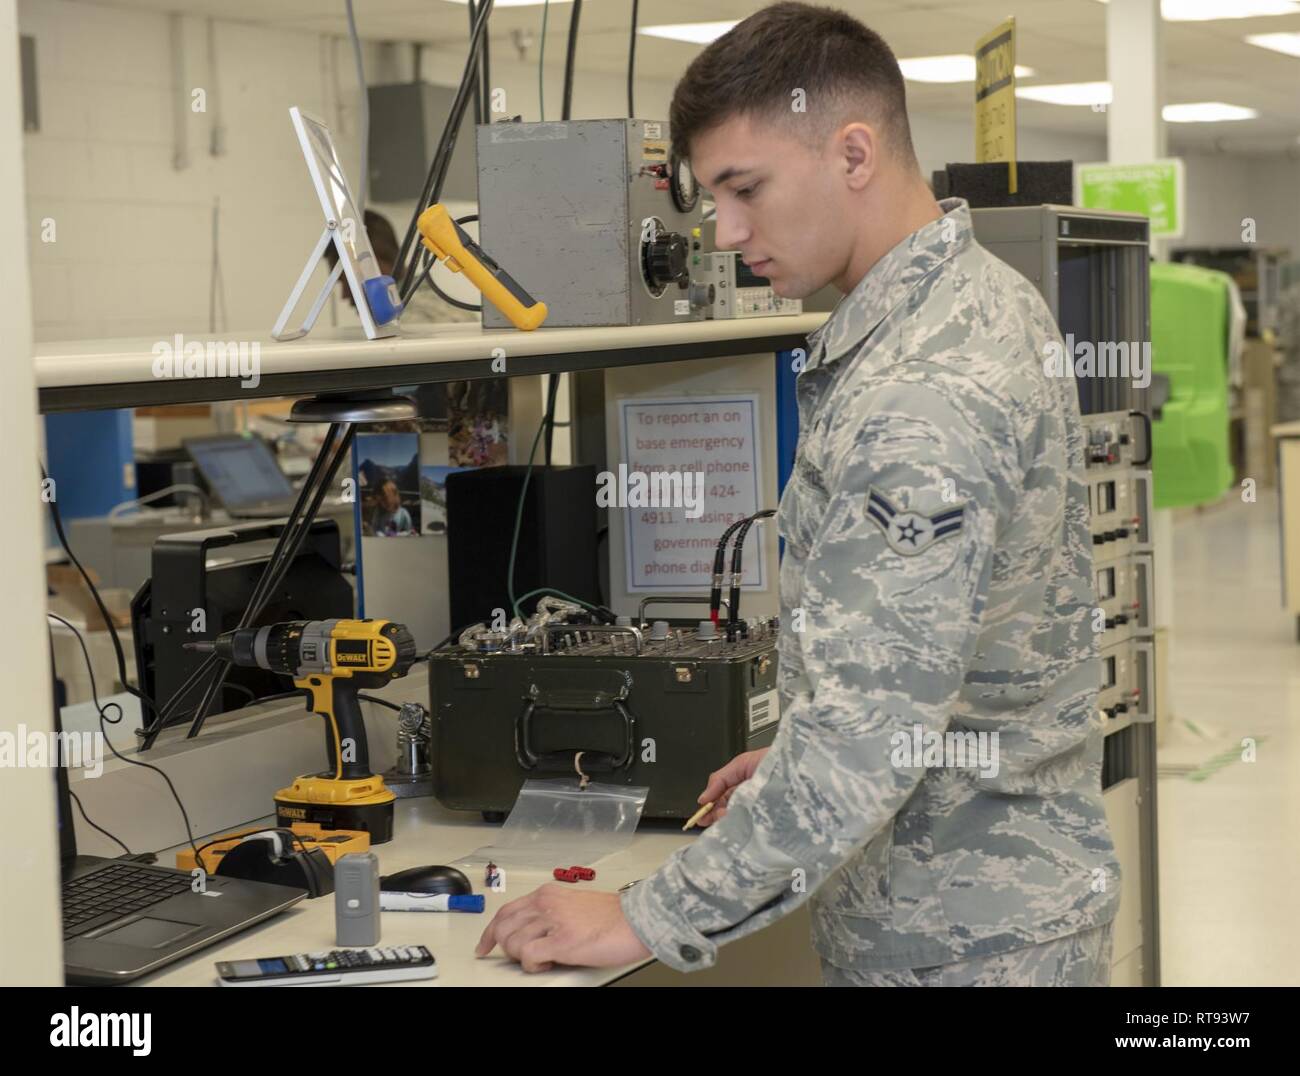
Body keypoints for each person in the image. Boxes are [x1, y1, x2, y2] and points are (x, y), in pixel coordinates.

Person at [475, 2, 1120, 987]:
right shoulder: (977, 297)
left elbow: (866, 741)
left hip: (962, 947)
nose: (726, 232)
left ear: (852, 153)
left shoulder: (917, 391)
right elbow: (938, 665)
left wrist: (641, 914)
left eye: (745, 188)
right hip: (991, 910)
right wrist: (797, 759)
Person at [323, 208, 479, 325]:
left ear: (371, 266)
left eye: (345, 280)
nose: (343, 296)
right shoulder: (434, 303)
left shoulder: (407, 325)